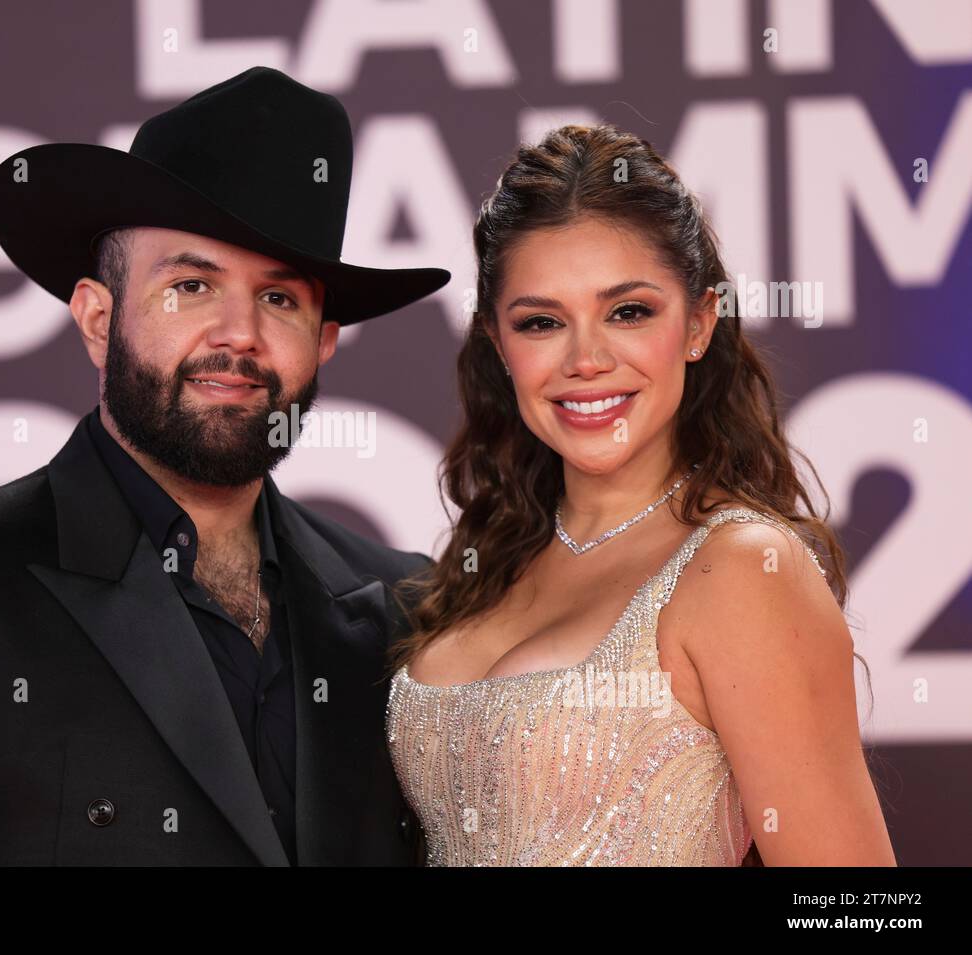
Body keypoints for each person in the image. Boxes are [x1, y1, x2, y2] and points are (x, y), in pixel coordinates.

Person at [0, 66, 450, 866]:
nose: (239, 334)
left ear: (323, 341)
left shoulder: (408, 610)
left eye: (280, 300)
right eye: (192, 285)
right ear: (99, 318)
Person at [384, 124, 896, 866]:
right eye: (541, 322)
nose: (586, 359)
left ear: (697, 323)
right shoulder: (489, 558)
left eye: (628, 311)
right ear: (499, 343)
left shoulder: (742, 570)